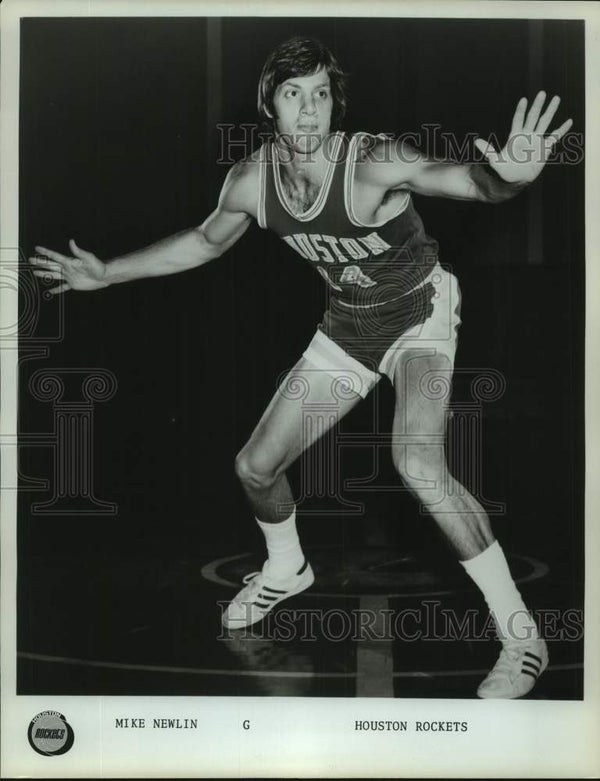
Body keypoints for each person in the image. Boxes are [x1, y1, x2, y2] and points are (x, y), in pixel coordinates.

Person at [29, 37, 573, 699]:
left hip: (420, 313)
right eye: (294, 95)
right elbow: (204, 241)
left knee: (418, 462)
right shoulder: (252, 183)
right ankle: (286, 568)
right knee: (255, 467)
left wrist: (507, 177)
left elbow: (462, 179)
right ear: (270, 106)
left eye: (321, 94)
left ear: (335, 104)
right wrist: (108, 272)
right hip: (347, 326)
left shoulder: (373, 160)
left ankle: (522, 635)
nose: (310, 110)